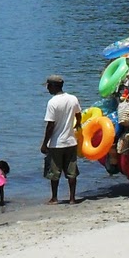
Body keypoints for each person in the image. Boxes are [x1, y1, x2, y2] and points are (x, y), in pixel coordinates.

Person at [40, 74, 83, 205]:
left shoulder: (52, 102)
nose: (47, 89)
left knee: (54, 172)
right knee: (71, 171)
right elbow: (79, 114)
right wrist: (77, 124)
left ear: (53, 86)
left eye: (48, 86)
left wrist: (44, 143)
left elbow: (50, 125)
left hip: (56, 143)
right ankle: (72, 198)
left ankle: (54, 198)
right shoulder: (72, 98)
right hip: (71, 141)